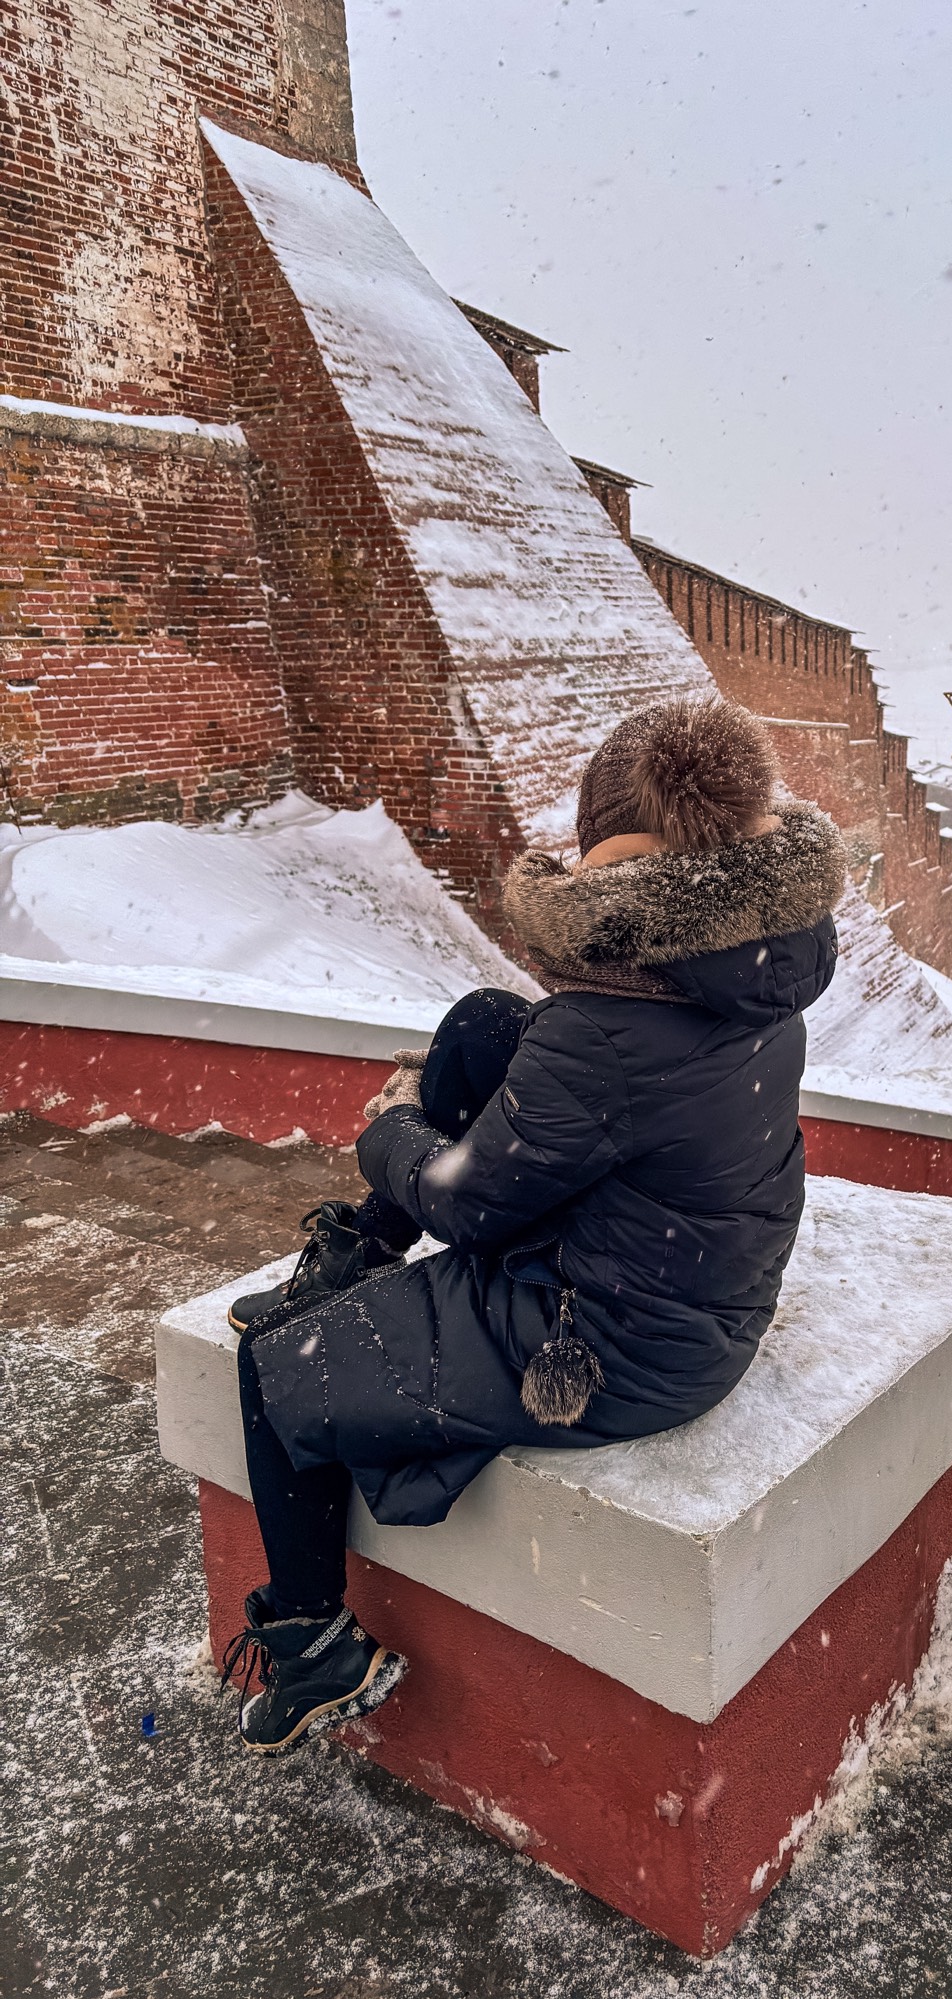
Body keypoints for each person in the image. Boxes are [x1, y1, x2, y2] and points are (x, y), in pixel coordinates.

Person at [221, 699, 845, 1754]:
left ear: (623, 853)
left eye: (592, 844)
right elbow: (586, 1083)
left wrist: (388, 1135)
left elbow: (469, 1199)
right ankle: (358, 1256)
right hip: (694, 1281)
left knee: (277, 1369)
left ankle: (309, 1638)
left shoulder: (608, 1029)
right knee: (481, 1026)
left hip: (608, 1338)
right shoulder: (757, 955)